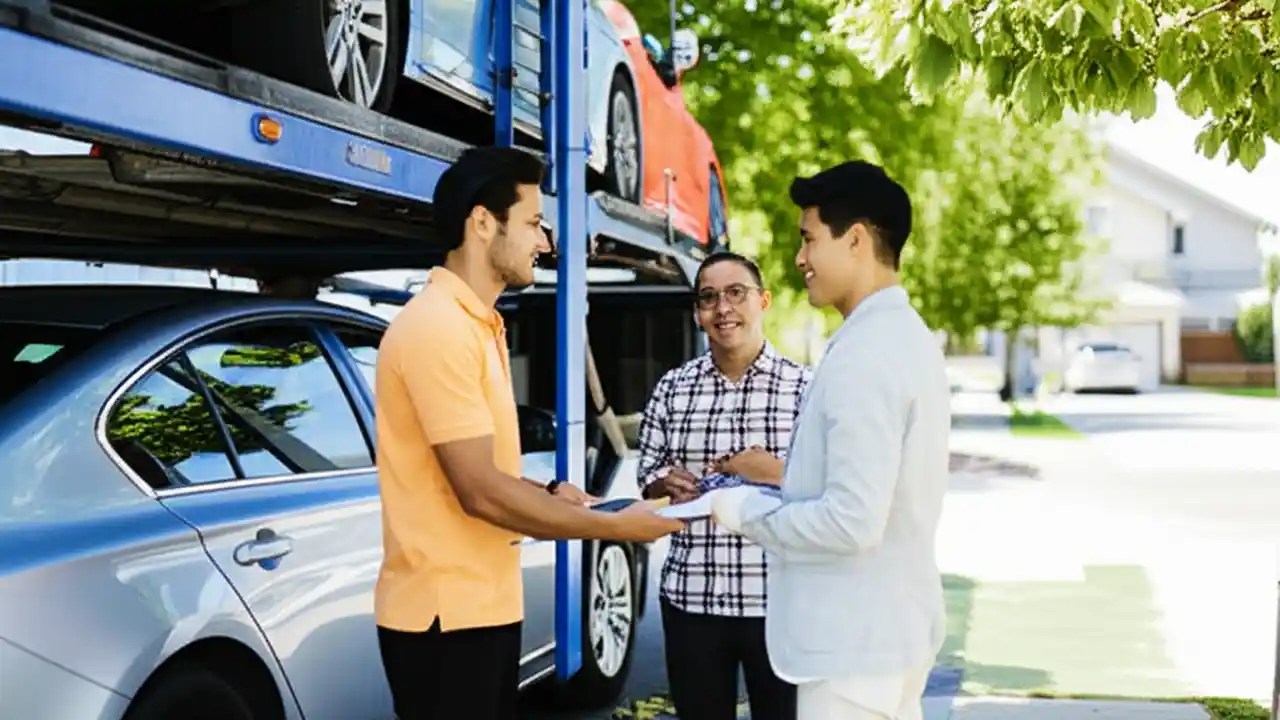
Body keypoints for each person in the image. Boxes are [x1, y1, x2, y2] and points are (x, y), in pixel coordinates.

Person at [373, 146, 685, 720]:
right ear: (483, 223)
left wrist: (547, 495)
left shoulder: (474, 323)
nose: (545, 242)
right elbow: (480, 491)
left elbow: (473, 474)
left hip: (478, 609)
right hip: (446, 620)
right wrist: (609, 524)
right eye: (534, 224)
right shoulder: (439, 328)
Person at [711, 161, 951, 719]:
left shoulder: (867, 355)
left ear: (857, 240)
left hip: (853, 659)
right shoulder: (904, 338)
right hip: (885, 641)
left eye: (809, 238)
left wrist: (744, 510)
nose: (799, 259)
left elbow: (851, 520)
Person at [636, 251, 812, 720]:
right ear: (697, 312)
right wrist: (661, 481)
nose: (722, 309)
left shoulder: (807, 389)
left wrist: (769, 470)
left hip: (780, 601)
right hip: (693, 597)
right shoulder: (672, 388)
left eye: (736, 293)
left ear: (764, 301)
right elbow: (646, 475)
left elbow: (830, 487)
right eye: (709, 298)